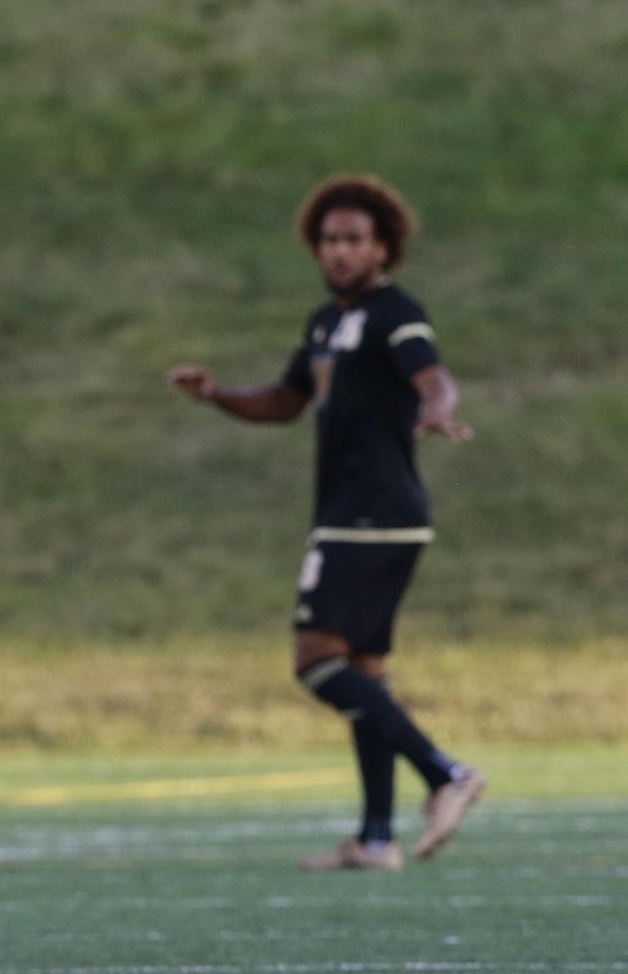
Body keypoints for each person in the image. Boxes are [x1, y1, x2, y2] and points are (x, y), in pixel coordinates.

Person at [169, 174, 484, 872]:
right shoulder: (323, 322)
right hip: (361, 515)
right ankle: (376, 837)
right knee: (364, 673)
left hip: (371, 513)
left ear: (383, 248)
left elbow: (433, 378)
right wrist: (218, 394)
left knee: (314, 659)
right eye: (330, 240)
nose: (339, 251)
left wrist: (435, 409)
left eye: (354, 239)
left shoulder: (393, 311)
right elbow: (284, 401)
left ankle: (445, 774)